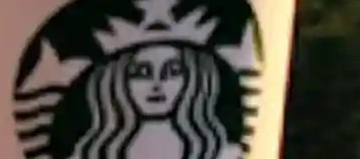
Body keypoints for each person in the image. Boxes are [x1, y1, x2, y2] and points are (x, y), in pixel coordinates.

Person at [68, 42, 243, 159]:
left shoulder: (223, 151)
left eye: (173, 71)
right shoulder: (92, 152)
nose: (157, 84)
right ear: (117, 81)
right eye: (142, 73)